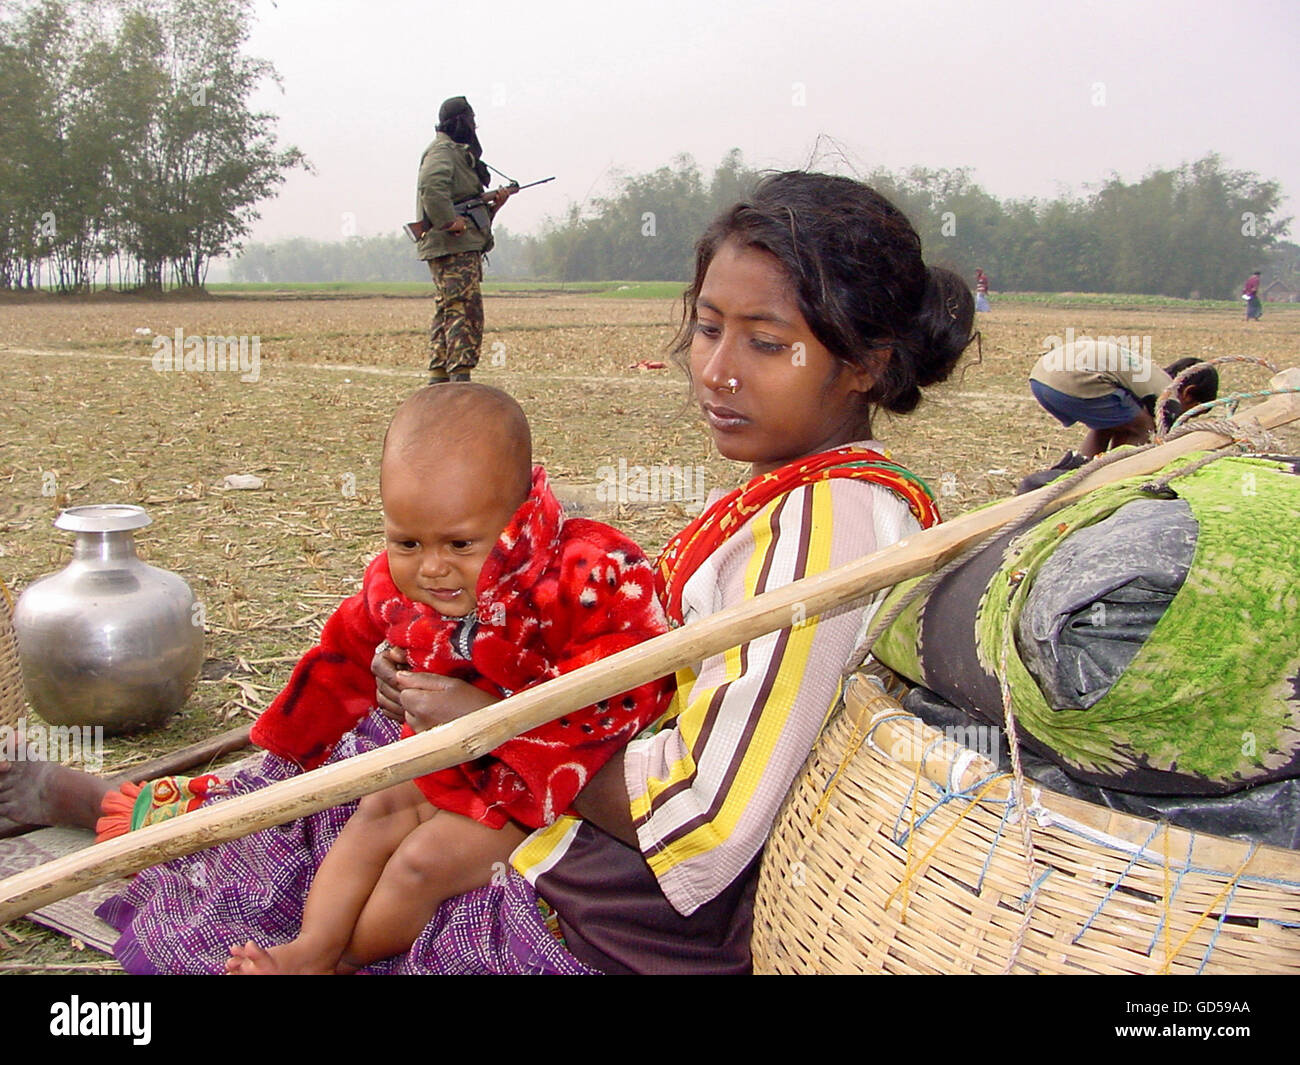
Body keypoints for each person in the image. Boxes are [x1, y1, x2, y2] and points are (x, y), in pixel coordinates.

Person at [8, 172, 974, 975]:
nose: (716, 368)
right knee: (351, 764)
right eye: (709, 326)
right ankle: (119, 814)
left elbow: (703, 816)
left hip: (603, 910)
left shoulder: (830, 524)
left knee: (334, 813)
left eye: (765, 343)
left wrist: (486, 717)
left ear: (865, 364)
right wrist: (475, 673)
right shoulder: (797, 492)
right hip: (566, 806)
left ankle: (110, 816)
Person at [93, 383, 671, 974]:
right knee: (375, 813)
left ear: (519, 514)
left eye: (460, 544)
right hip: (448, 758)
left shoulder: (590, 575)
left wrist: (495, 721)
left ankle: (340, 963)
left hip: (548, 784)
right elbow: (344, 649)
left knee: (422, 862)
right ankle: (310, 948)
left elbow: (630, 683)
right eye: (407, 542)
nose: (432, 567)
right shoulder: (398, 584)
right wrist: (295, 741)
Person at [416, 97, 515, 384]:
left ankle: (440, 374)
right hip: (452, 246)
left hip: (457, 246)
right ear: (461, 121)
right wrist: (449, 221)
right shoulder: (443, 152)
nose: (474, 126)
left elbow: (464, 204)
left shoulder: (452, 152)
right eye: (471, 120)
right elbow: (431, 188)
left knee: (450, 306)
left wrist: (494, 204)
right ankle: (459, 377)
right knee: (462, 308)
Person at [1028, 336, 1173, 458]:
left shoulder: (1152, 375)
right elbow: (1164, 433)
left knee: (1109, 424)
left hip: (1040, 376)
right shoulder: (1172, 394)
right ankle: (1114, 478)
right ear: (1189, 394)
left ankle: (1079, 469)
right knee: (1142, 427)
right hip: (1071, 379)